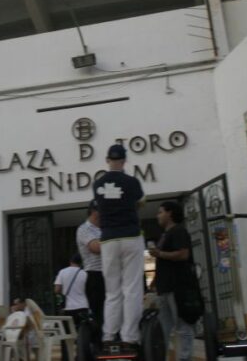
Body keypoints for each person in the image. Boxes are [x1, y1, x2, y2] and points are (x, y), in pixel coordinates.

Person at [92, 144, 146, 355]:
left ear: (107, 160)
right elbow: (141, 202)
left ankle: (108, 336)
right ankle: (129, 337)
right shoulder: (132, 182)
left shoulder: (98, 183)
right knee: (132, 288)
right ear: (124, 161)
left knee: (112, 291)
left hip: (108, 239)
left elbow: (99, 205)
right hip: (131, 236)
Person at [149, 201, 195, 361]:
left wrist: (160, 254)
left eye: (160, 212)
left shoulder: (179, 231)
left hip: (178, 287)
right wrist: (154, 283)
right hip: (164, 288)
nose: (158, 215)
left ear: (170, 213)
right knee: (164, 329)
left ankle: (185, 358)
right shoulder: (164, 235)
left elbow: (183, 254)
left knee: (183, 325)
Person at [76, 199, 105, 325]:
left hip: (110, 273)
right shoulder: (84, 229)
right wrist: (114, 243)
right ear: (94, 211)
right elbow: (95, 247)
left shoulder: (105, 228)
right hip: (95, 275)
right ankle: (99, 342)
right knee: (99, 311)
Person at [54, 253, 89, 323]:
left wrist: (64, 291)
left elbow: (57, 290)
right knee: (83, 329)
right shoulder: (85, 273)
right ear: (81, 263)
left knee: (70, 330)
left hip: (69, 307)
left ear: (70, 261)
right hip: (83, 306)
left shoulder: (62, 272)